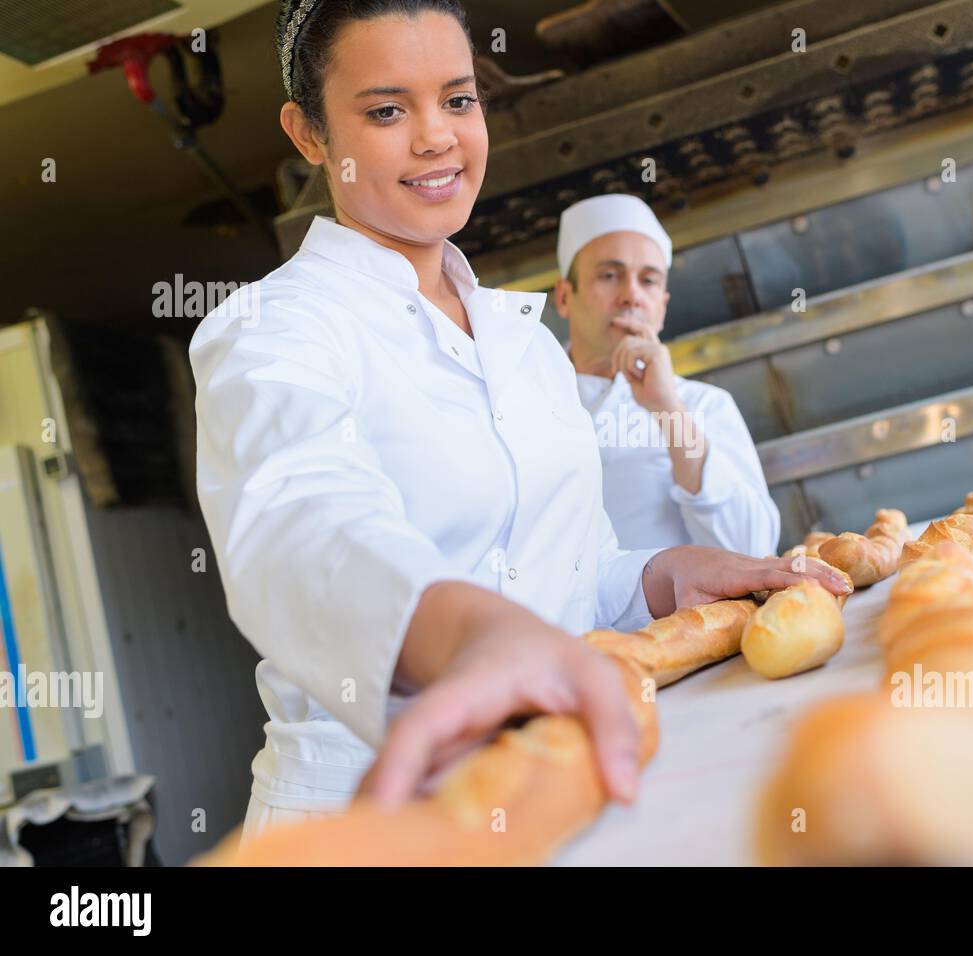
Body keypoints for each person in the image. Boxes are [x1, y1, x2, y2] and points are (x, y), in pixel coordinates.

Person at [188, 0, 849, 842]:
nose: (437, 138)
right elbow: (301, 523)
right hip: (372, 810)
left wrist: (669, 574)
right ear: (309, 133)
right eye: (387, 110)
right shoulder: (275, 328)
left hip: (556, 777)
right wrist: (470, 635)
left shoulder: (523, 343)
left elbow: (571, 579)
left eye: (459, 100)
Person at [555, 194, 781, 557]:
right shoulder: (521, 401)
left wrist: (667, 410)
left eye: (648, 281)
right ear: (564, 297)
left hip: (683, 615)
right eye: (609, 275)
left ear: (661, 306)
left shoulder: (703, 406)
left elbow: (752, 549)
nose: (631, 295)